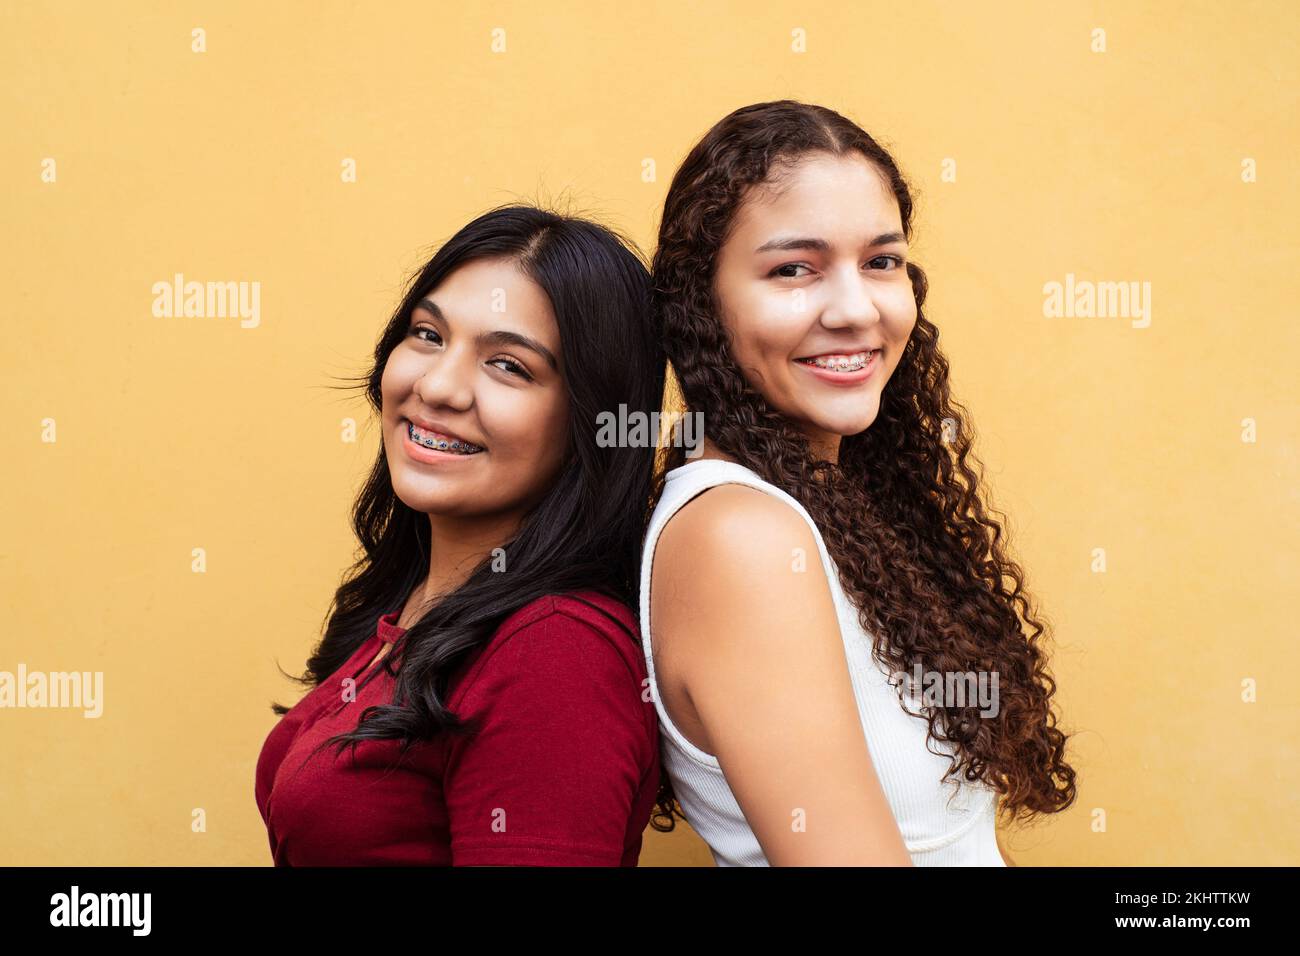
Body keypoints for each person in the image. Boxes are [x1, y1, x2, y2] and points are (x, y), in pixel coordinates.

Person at [641, 101, 1077, 866]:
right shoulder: (740, 538)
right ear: (699, 303)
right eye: (793, 270)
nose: (855, 309)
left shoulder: (830, 507)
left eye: (881, 261)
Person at [256, 204, 670, 865]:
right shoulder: (422, 603)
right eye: (427, 335)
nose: (439, 386)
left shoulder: (558, 651)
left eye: (508, 365)